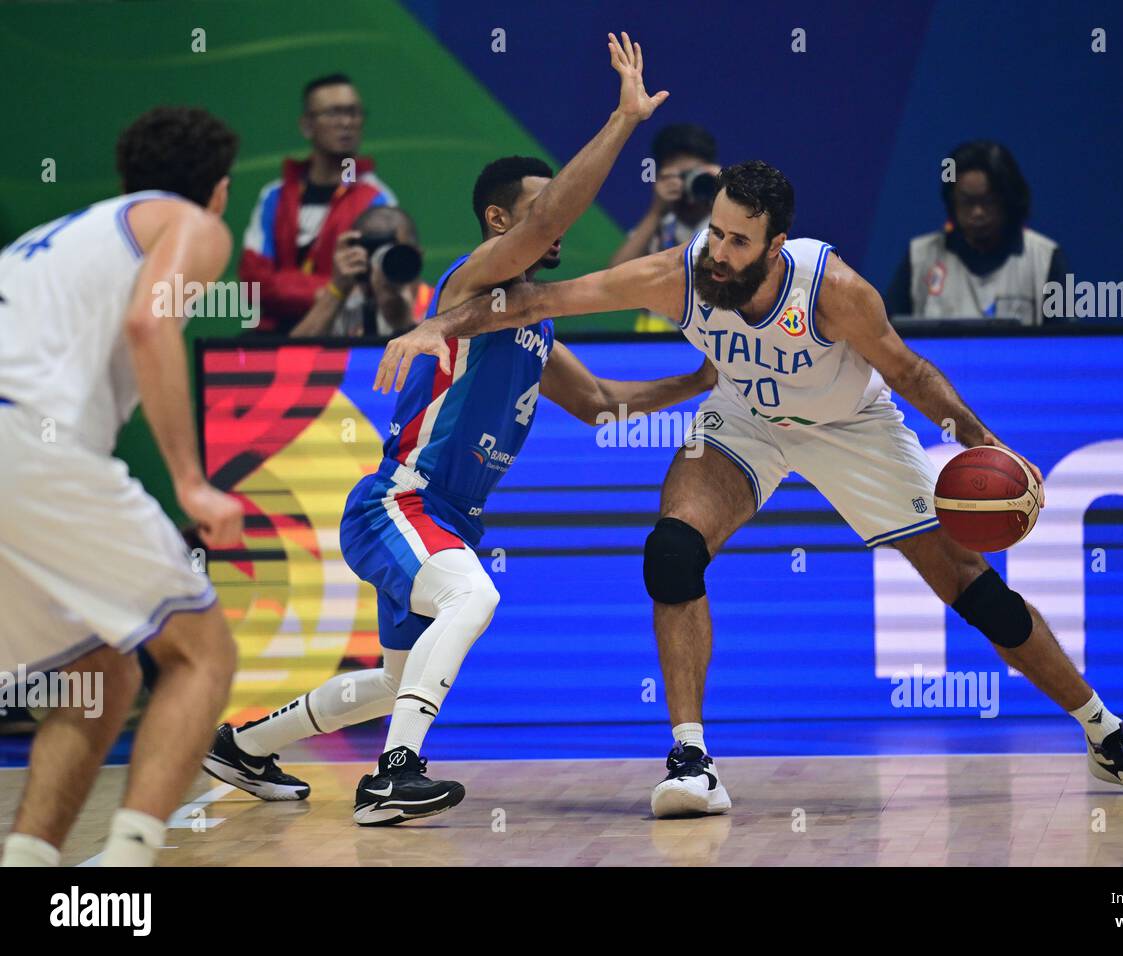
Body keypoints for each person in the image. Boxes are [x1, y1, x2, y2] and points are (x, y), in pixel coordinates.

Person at [384, 159, 1123, 818]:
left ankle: (1105, 731)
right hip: (744, 420)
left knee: (971, 588)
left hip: (853, 429)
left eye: (738, 241)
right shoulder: (679, 275)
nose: (718, 252)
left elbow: (907, 370)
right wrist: (434, 325)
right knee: (671, 553)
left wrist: (978, 439)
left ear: (777, 246)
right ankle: (691, 759)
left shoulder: (832, 290)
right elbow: (537, 298)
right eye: (715, 232)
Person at [202, 33, 714, 825]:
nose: (558, 226)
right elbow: (553, 216)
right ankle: (393, 774)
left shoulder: (533, 322)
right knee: (473, 596)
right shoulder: (467, 283)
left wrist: (695, 380)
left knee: (391, 681)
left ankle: (243, 746)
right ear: (499, 220)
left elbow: (602, 403)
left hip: (443, 517)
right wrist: (621, 122)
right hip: (401, 504)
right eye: (539, 212)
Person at [0, 106, 244, 866]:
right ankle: (127, 867)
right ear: (221, 192)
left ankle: (28, 861)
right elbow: (151, 322)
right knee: (203, 655)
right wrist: (191, 484)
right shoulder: (192, 224)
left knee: (97, 669)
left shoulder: (55, 238)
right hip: (26, 442)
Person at [239, 73, 397, 334]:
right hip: (272, 338)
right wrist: (332, 288)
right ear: (307, 125)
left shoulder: (379, 200)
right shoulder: (273, 196)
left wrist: (286, 285)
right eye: (334, 113)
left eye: (354, 112)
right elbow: (254, 285)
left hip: (346, 342)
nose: (346, 122)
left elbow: (379, 291)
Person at [885, 140, 1068, 325]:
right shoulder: (920, 255)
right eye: (967, 201)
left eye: (988, 201)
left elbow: (1065, 346)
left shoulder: (1045, 258)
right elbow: (887, 333)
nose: (977, 212)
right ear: (952, 201)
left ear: (1009, 200)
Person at [609, 123, 721, 331]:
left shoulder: (727, 230)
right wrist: (655, 211)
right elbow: (613, 280)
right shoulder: (657, 230)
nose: (688, 183)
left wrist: (726, 196)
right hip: (659, 348)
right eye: (679, 177)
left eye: (694, 175)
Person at [289, 205, 433, 337]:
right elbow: (292, 359)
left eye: (396, 254)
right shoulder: (343, 306)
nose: (384, 262)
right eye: (374, 254)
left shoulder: (439, 305)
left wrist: (402, 320)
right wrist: (336, 290)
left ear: (417, 256)